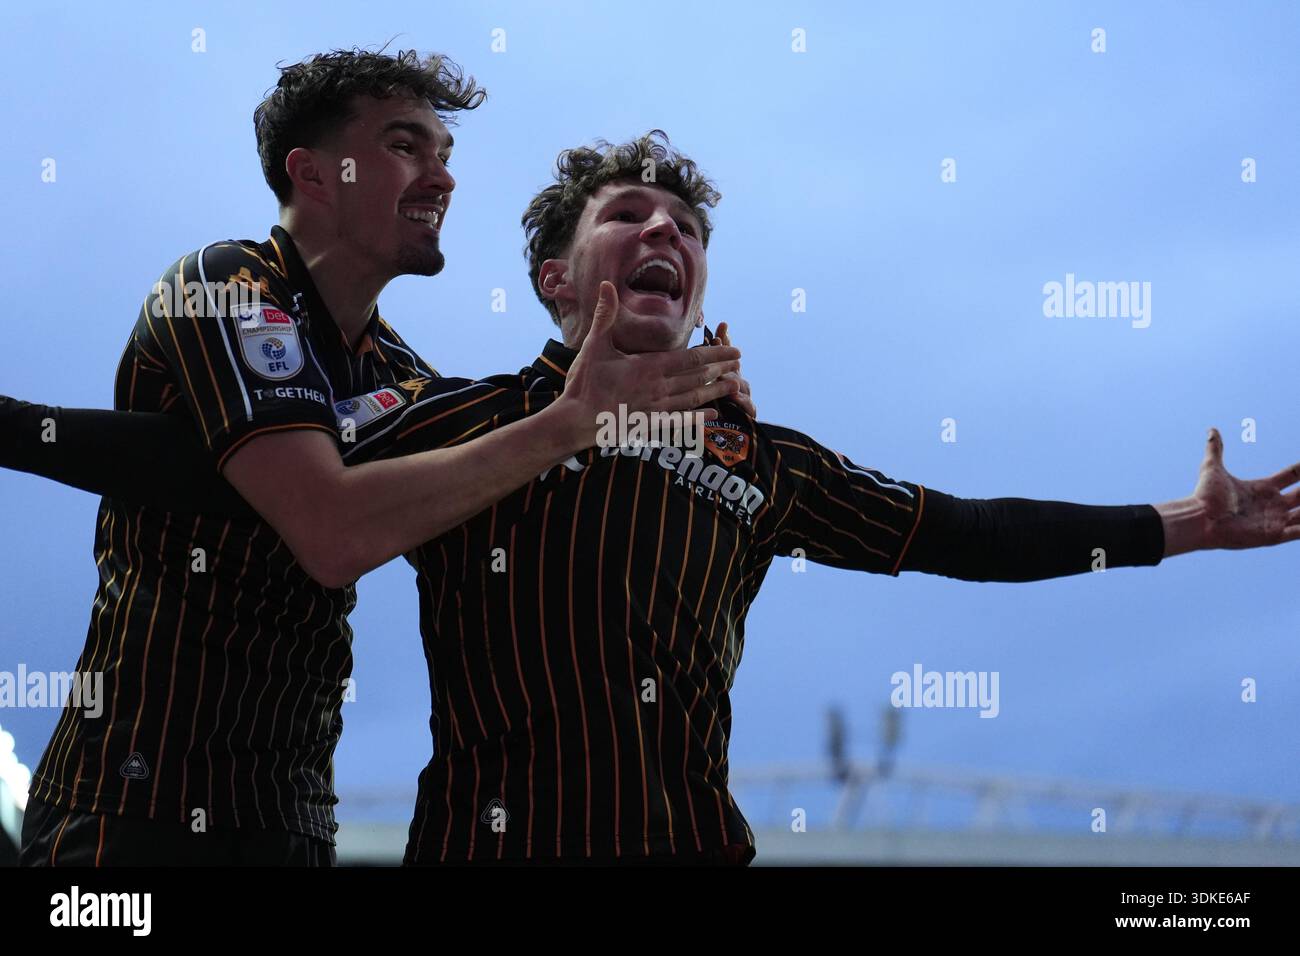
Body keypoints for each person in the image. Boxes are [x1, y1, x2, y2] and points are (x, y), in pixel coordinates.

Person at [5, 132, 1297, 866]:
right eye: (628, 213)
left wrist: (1181, 528)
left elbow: (962, 531)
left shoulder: (760, 461)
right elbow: (231, 473)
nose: (663, 231)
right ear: (556, 281)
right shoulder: (461, 419)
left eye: (685, 221)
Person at [6, 49, 740, 868]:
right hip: (132, 810)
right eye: (406, 146)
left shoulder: (402, 377)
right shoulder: (226, 285)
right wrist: (576, 422)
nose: (443, 178)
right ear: (314, 174)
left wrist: (696, 429)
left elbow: (523, 479)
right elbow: (330, 529)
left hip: (293, 820)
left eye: (446, 155)